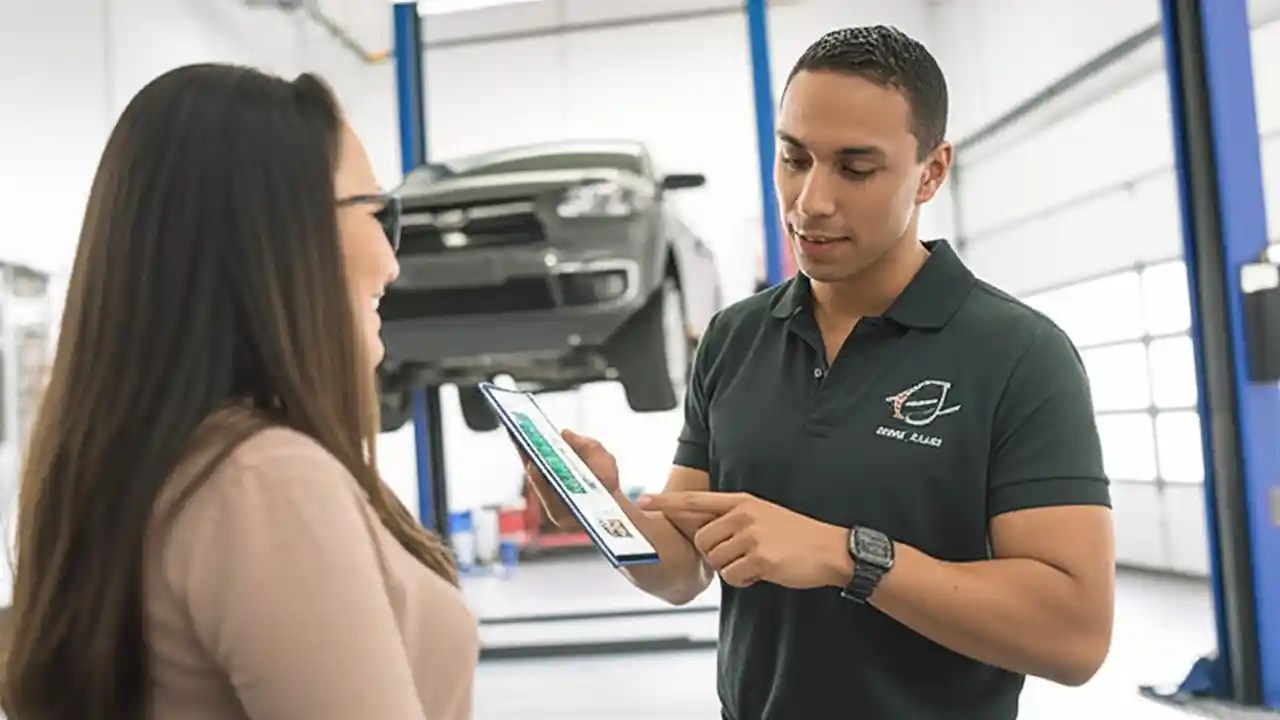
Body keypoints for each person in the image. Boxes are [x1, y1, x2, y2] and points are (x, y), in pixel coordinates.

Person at [523, 26, 1115, 719]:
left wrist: (849, 557)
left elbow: (1074, 638)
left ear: (931, 171)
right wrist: (604, 510)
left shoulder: (1019, 355)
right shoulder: (734, 338)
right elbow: (684, 567)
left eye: (855, 169)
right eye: (794, 159)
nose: (810, 201)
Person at [1, 64, 478, 720]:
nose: (392, 261)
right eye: (374, 212)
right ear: (271, 237)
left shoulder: (161, 467)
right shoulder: (265, 480)